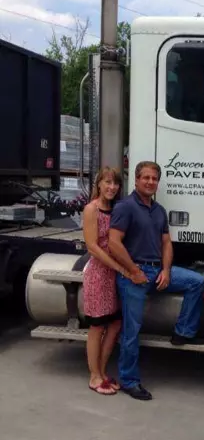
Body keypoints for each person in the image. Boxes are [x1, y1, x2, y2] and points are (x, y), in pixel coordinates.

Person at [108, 161, 204, 401]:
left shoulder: (159, 210)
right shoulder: (125, 207)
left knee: (197, 282)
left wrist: (166, 270)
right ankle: (129, 381)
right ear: (137, 179)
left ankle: (183, 332)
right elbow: (114, 242)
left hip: (157, 270)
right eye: (146, 178)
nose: (151, 182)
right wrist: (133, 271)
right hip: (134, 275)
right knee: (132, 330)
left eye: (154, 179)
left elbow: (166, 243)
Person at [82, 166, 124, 396]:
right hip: (99, 274)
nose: (111, 187)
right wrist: (118, 266)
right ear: (99, 184)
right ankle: (94, 376)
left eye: (115, 183)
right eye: (107, 182)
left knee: (115, 324)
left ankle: (103, 371)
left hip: (114, 275)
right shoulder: (92, 209)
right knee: (97, 326)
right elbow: (92, 247)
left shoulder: (116, 209)